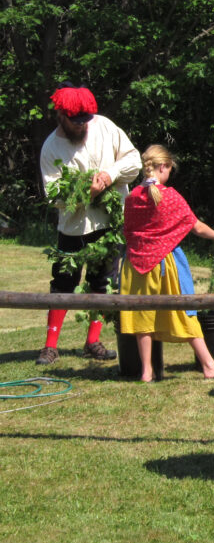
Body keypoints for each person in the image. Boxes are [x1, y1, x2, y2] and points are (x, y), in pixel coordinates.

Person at [37, 84, 141, 366]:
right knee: (63, 284)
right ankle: (50, 346)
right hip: (72, 228)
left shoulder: (105, 127)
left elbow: (134, 160)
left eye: (86, 119)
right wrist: (86, 193)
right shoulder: (51, 147)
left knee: (102, 283)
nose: (83, 125)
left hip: (109, 224)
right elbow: (54, 195)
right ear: (62, 116)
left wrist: (109, 174)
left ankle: (92, 342)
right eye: (77, 121)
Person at [119, 145, 214, 382]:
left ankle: (146, 371)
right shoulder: (170, 196)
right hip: (165, 264)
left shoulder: (132, 197)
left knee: (142, 315)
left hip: (135, 264)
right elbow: (195, 226)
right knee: (185, 311)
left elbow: (129, 230)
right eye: (169, 169)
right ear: (163, 167)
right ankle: (209, 365)